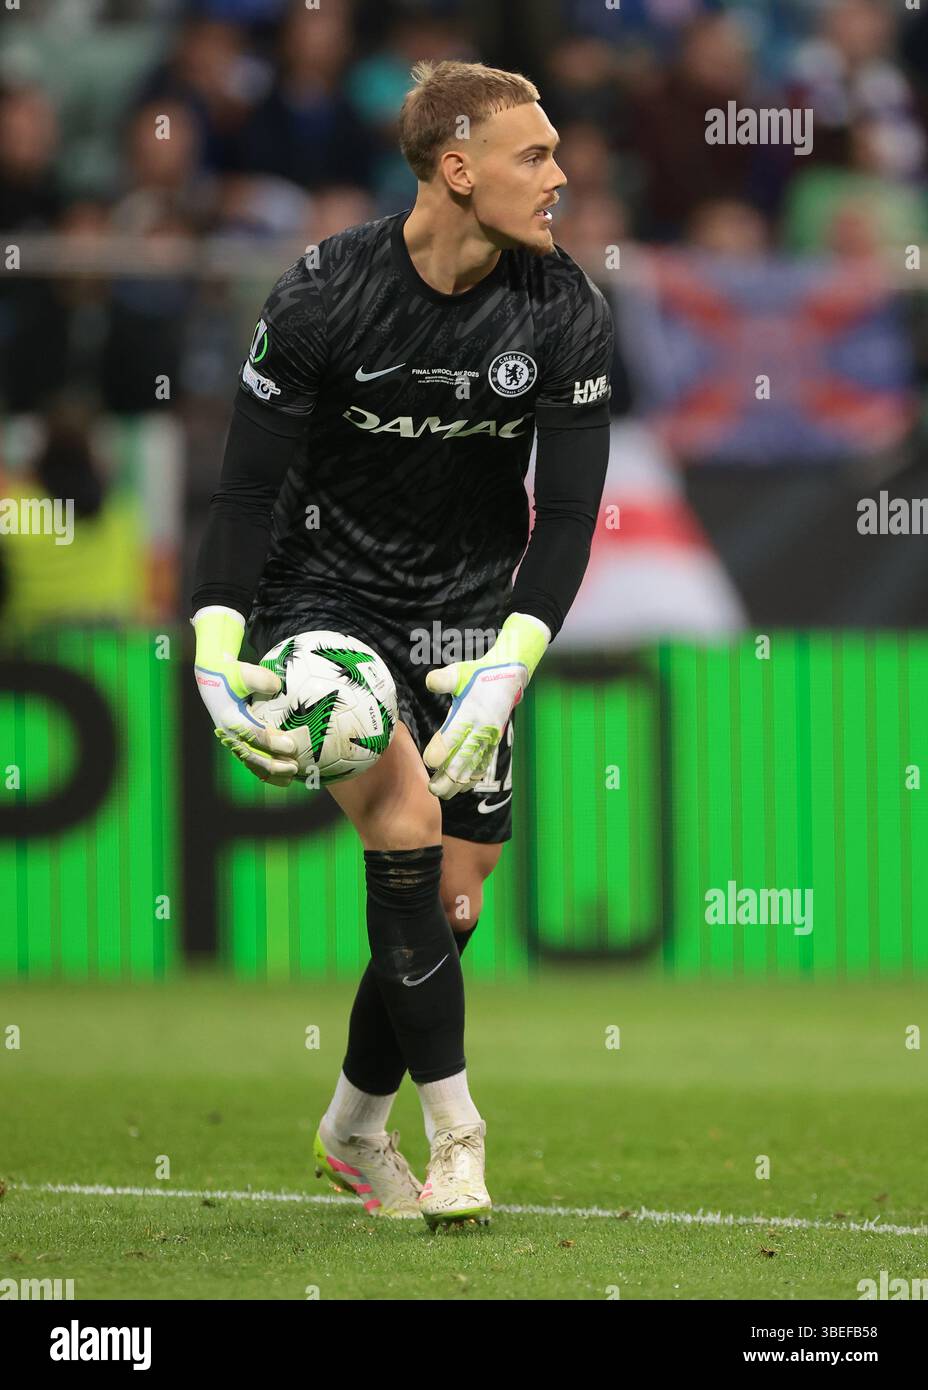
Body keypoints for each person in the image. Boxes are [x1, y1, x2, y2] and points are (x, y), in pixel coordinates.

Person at [190, 59, 612, 1228]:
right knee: (405, 821)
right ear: (456, 167)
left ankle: (349, 1129)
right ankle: (459, 1135)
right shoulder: (324, 292)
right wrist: (217, 648)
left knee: (454, 904)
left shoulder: (563, 306)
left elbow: (568, 518)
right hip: (325, 598)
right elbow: (239, 495)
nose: (561, 176)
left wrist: (506, 667)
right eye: (536, 156)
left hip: (470, 615)